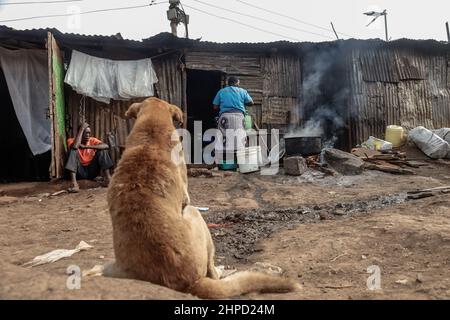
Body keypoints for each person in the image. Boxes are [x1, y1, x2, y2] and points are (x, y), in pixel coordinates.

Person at [65, 122, 113, 192]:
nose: (87, 135)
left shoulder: (92, 140)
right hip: (79, 172)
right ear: (80, 133)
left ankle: (108, 179)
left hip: (92, 171)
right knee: (73, 150)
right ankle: (74, 184)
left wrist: (86, 147)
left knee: (102, 150)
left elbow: (106, 146)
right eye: (85, 133)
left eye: (89, 133)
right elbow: (75, 146)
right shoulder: (71, 140)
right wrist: (81, 129)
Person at [213, 76, 253, 158]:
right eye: (238, 83)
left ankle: (222, 158)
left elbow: (215, 107)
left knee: (223, 136)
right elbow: (251, 102)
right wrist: (242, 102)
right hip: (239, 117)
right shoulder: (242, 91)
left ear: (228, 83)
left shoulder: (221, 91)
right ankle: (240, 158)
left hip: (225, 117)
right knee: (240, 136)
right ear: (236, 83)